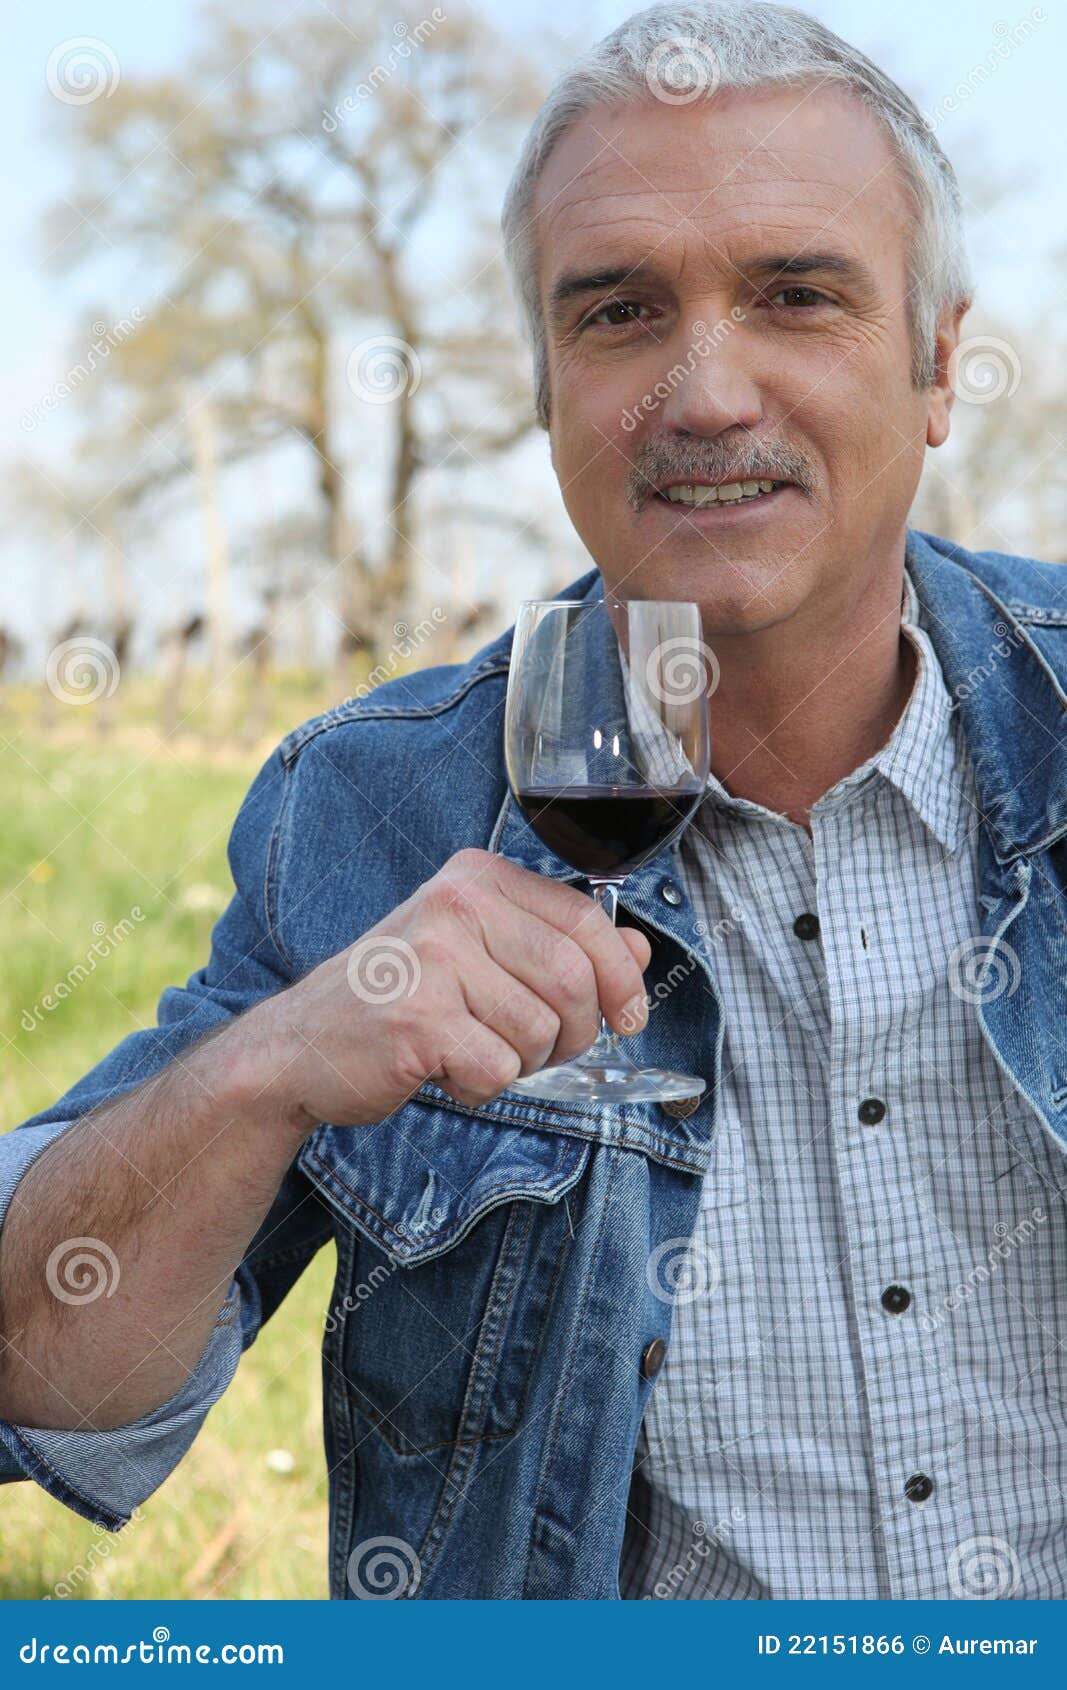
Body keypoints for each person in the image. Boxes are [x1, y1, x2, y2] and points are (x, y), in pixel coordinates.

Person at [2, 1, 1065, 1600]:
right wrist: (266, 1071)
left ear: (937, 364)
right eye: (621, 312)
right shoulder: (376, 807)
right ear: (547, 382)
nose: (707, 393)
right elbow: (41, 1376)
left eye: (795, 296)